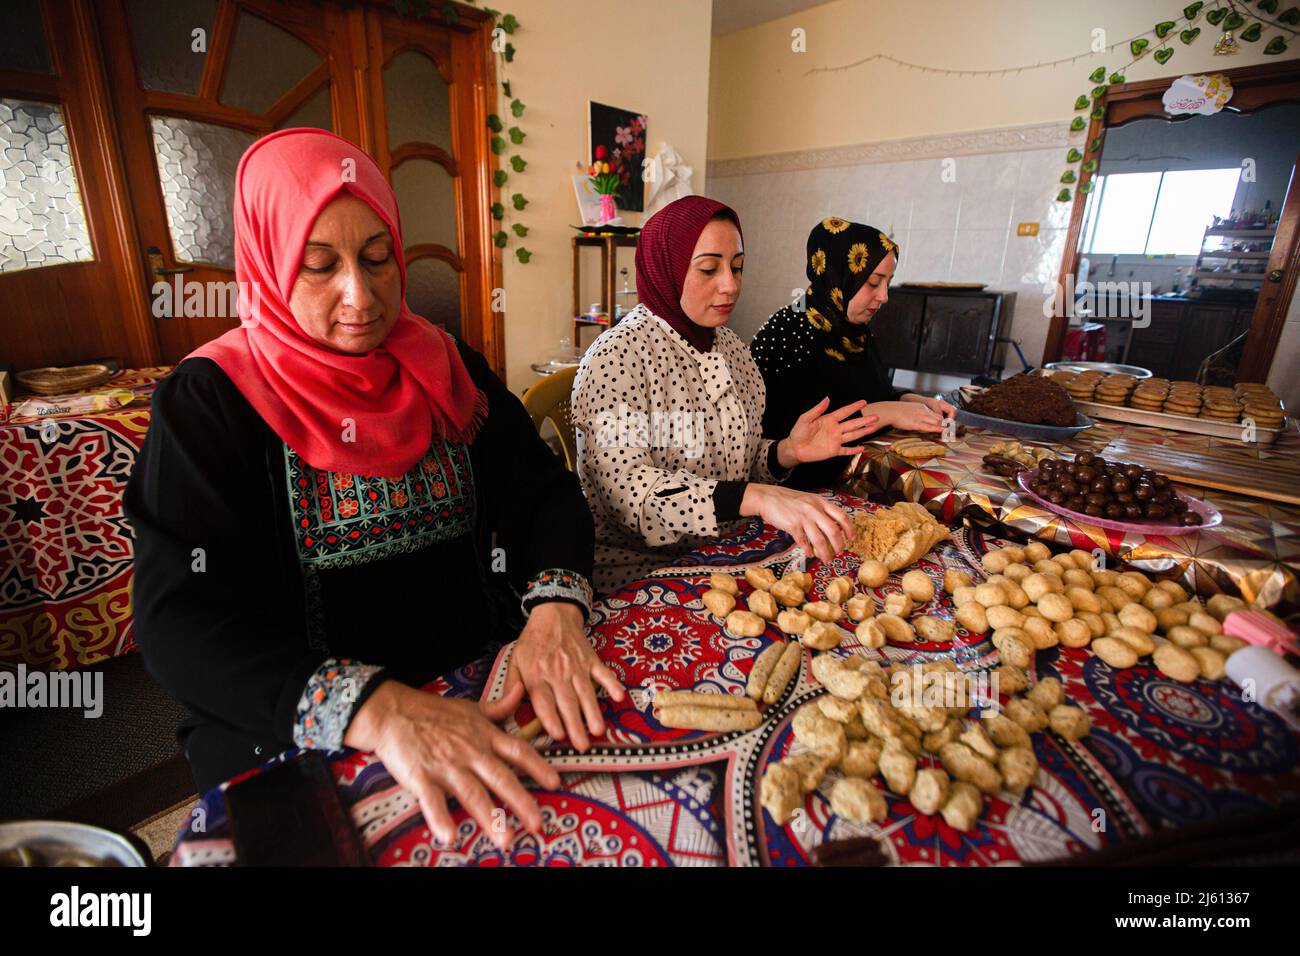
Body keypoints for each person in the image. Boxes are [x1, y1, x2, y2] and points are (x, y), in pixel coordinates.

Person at [125, 129, 623, 850]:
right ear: (267, 261)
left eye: (378, 258)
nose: (360, 295)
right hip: (298, 721)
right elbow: (180, 619)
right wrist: (375, 708)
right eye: (319, 265)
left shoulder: (443, 363)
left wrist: (552, 610)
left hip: (473, 680)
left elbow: (542, 496)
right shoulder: (210, 401)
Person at [572, 196, 878, 594]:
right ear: (667, 267)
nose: (730, 285)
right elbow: (630, 493)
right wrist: (754, 498)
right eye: (708, 269)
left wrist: (785, 451)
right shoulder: (618, 357)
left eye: (737, 267)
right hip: (642, 568)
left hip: (727, 549)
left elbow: (738, 465)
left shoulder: (732, 350)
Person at [751, 217, 956, 490]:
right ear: (839, 276)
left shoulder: (853, 329)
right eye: (873, 283)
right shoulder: (788, 333)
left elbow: (870, 392)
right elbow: (796, 439)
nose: (884, 296)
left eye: (888, 282)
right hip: (802, 489)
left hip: (859, 473)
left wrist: (913, 401)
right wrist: (886, 413)